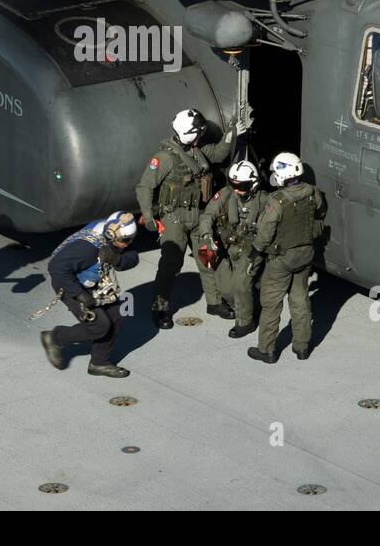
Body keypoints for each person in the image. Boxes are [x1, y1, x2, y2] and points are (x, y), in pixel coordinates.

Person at [135, 107, 234, 329]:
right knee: (170, 265)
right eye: (198, 133)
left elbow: (218, 154)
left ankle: (215, 301)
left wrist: (231, 134)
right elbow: (144, 187)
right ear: (189, 133)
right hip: (174, 218)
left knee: (208, 258)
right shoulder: (164, 158)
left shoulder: (196, 151)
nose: (200, 137)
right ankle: (159, 309)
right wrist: (149, 217)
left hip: (198, 215)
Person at [248, 152, 327, 364]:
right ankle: (302, 347)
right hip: (305, 254)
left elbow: (265, 232)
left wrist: (255, 251)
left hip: (281, 259)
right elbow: (321, 211)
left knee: (271, 304)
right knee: (300, 299)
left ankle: (266, 350)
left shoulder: (277, 201)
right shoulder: (312, 192)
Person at [40, 212, 139, 378]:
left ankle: (99, 363)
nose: (127, 245)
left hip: (93, 282)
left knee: (117, 315)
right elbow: (56, 268)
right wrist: (79, 294)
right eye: (125, 241)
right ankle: (54, 338)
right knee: (99, 325)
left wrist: (117, 260)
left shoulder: (115, 233)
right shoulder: (86, 249)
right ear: (111, 235)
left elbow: (133, 256)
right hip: (69, 284)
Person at [198, 159, 268, 340]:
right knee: (227, 289)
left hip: (251, 249)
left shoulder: (265, 201)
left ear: (253, 183)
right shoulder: (226, 194)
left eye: (242, 186)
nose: (237, 189)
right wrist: (207, 236)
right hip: (228, 246)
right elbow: (207, 215)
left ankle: (245, 322)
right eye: (234, 184)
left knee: (240, 284)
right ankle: (240, 305)